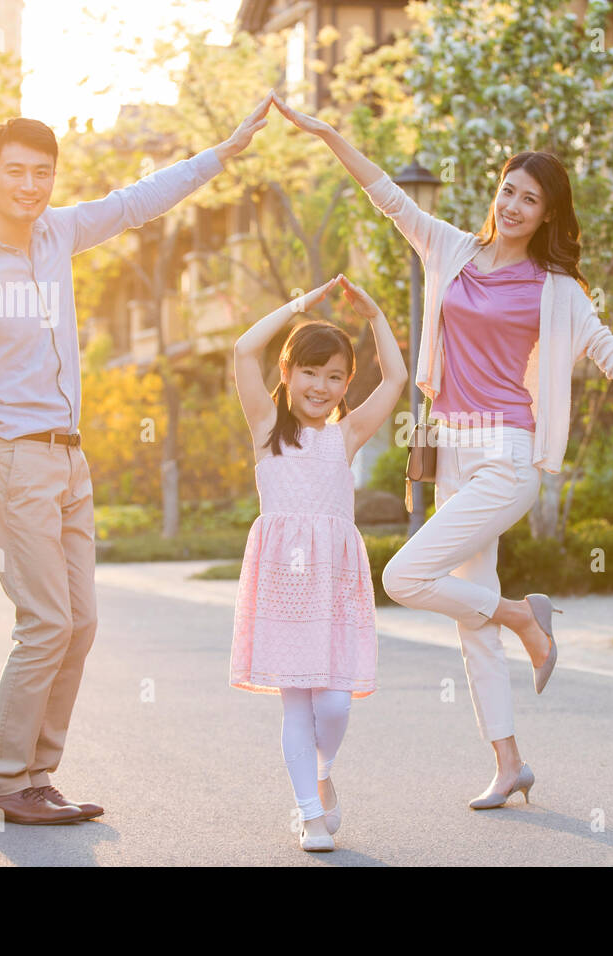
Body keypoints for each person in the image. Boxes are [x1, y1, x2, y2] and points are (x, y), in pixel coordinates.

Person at [270, 90, 613, 810]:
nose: (514, 205)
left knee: (403, 576)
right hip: (452, 452)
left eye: (531, 199)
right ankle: (509, 761)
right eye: (508, 190)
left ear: (549, 213)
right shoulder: (452, 250)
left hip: (508, 457)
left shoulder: (557, 289)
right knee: (469, 619)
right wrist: (329, 132)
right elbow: (387, 197)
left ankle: (524, 613)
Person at [0, 95, 274, 825]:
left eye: (43, 173)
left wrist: (220, 155)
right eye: (16, 172)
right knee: (45, 622)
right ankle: (2, 781)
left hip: (71, 463)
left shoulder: (56, 235)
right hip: (10, 461)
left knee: (82, 624)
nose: (31, 187)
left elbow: (137, 202)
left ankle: (35, 776)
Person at [230, 273, 407, 852]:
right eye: (309, 372)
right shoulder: (265, 429)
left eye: (335, 376)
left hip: (331, 585)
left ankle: (322, 773)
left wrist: (376, 314)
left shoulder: (347, 434)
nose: (321, 386)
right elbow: (242, 349)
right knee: (296, 705)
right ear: (288, 374)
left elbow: (399, 378)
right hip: (282, 585)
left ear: (347, 383)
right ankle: (308, 813)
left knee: (332, 703)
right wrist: (303, 305)